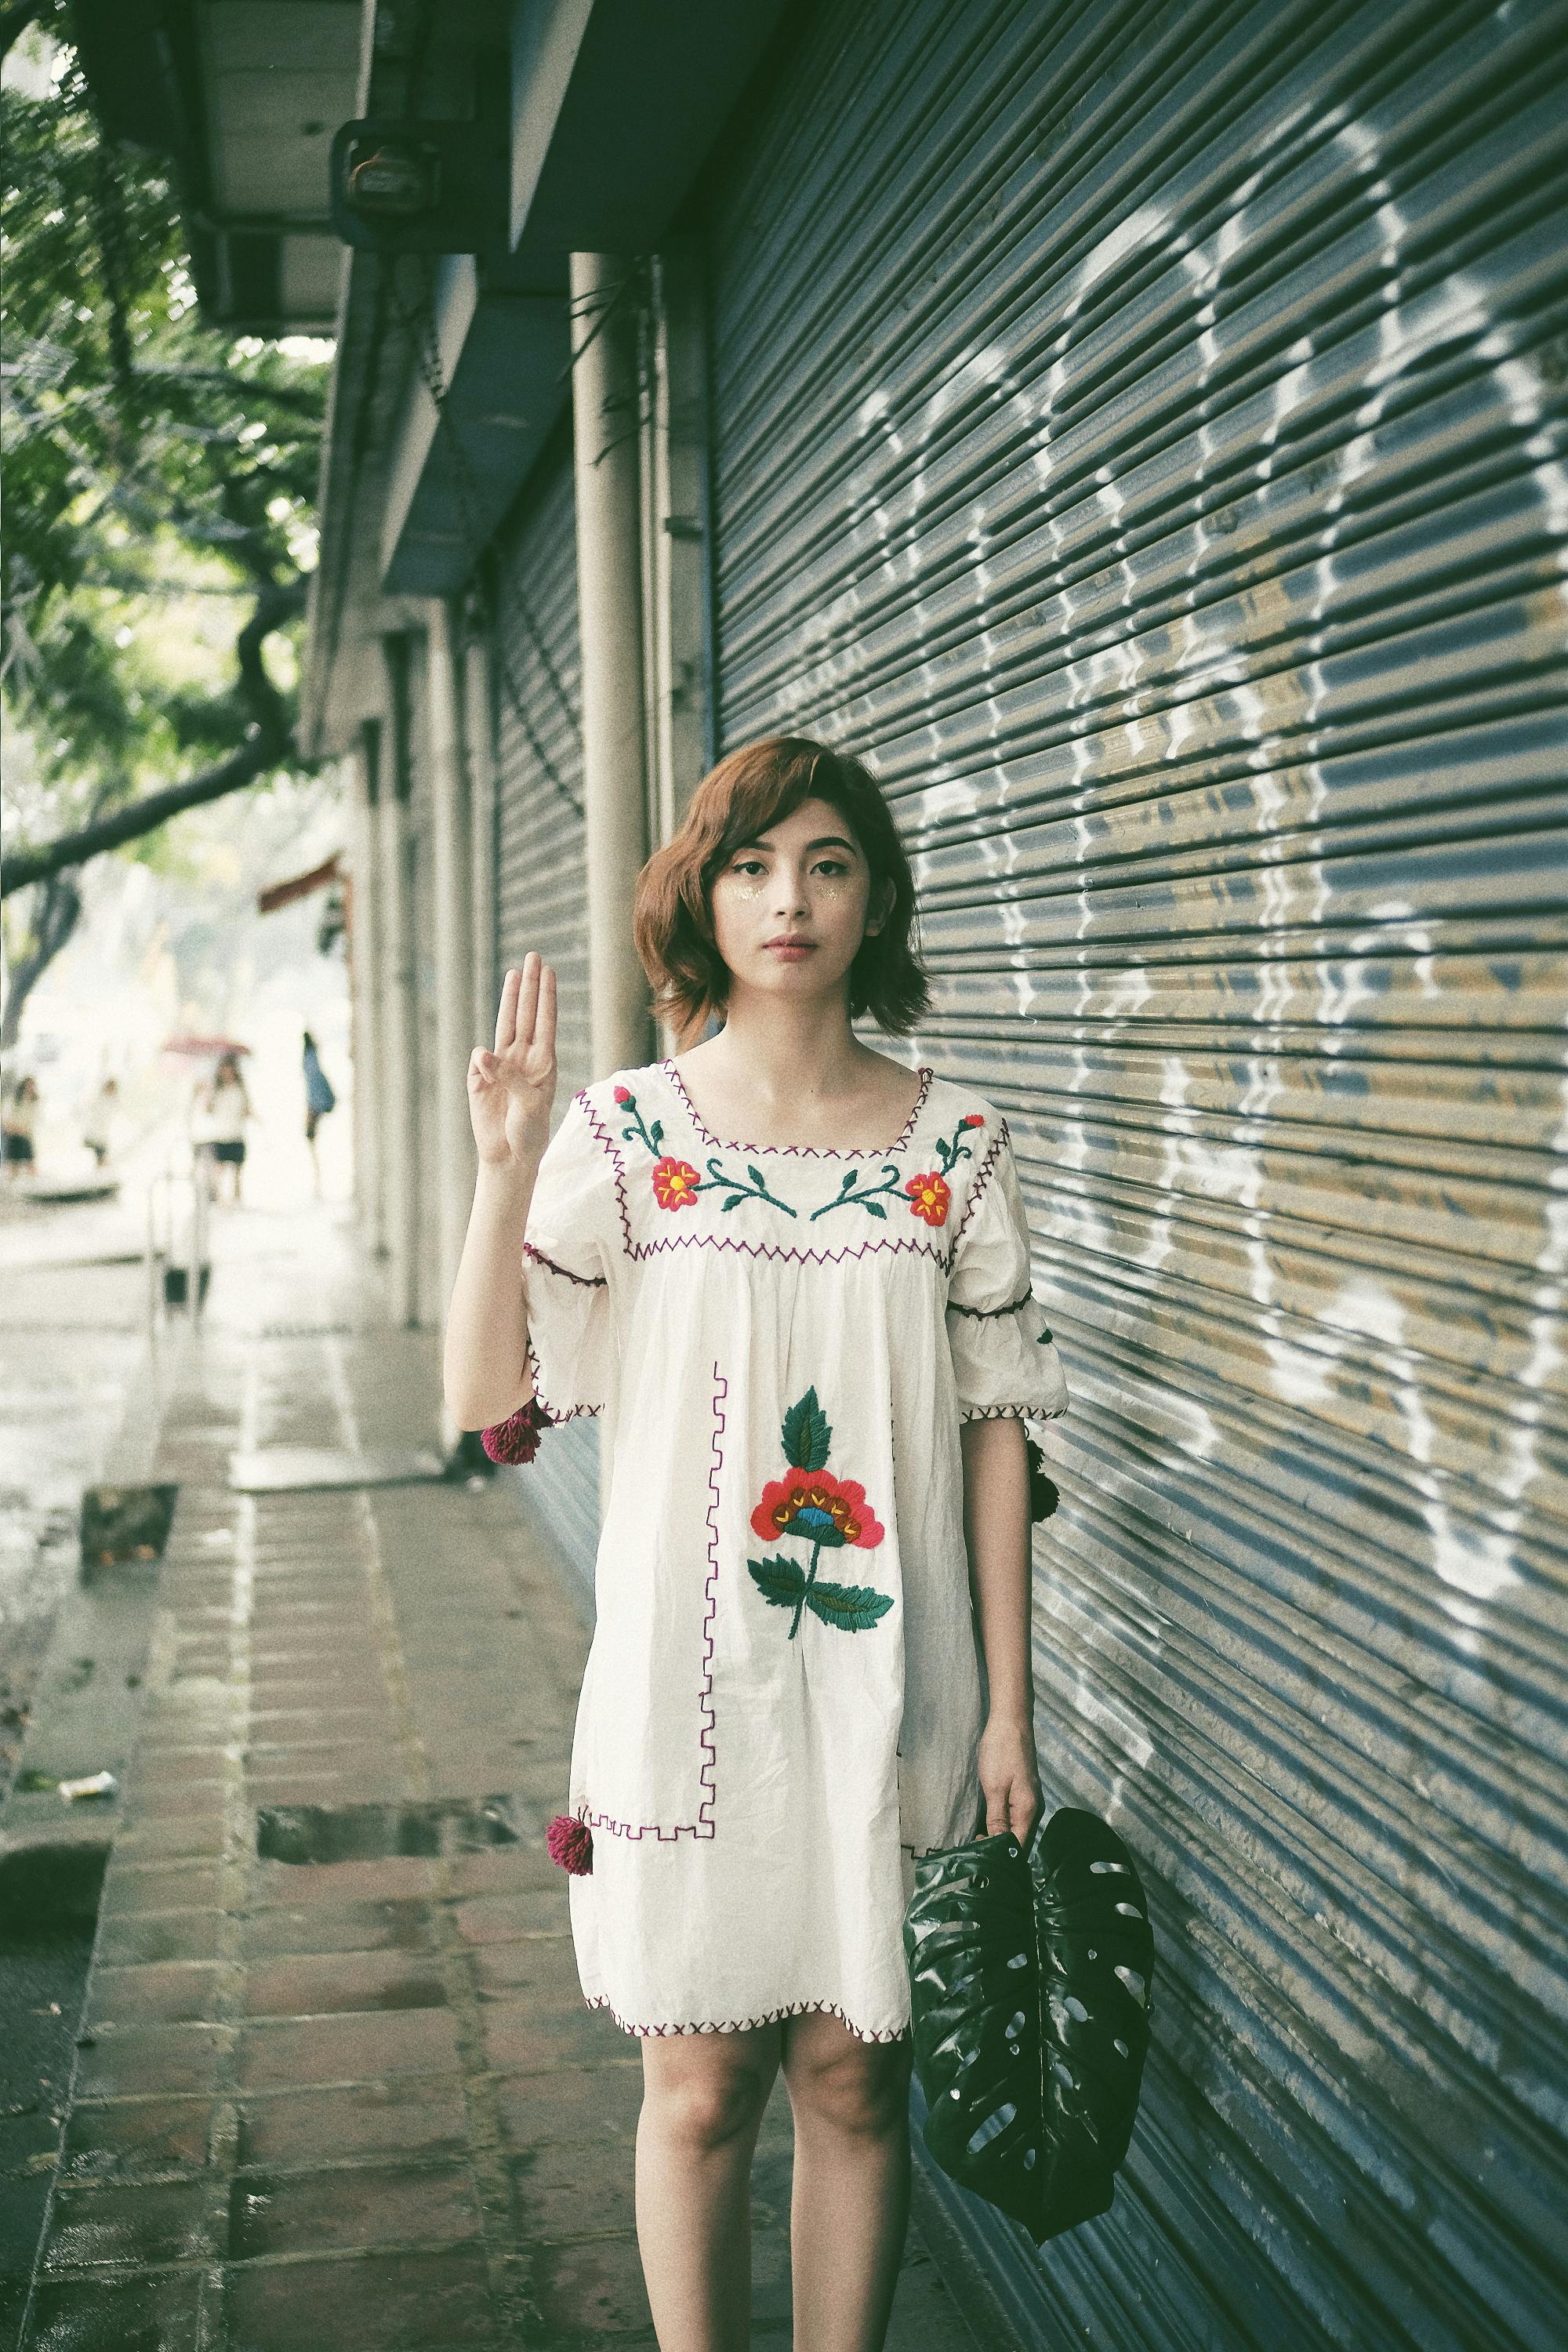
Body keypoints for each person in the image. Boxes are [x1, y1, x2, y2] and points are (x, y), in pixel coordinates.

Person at [444, 737, 1069, 2349]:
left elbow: (996, 1431)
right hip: (684, 1696)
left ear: (875, 898)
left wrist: (1010, 1707)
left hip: (900, 1683)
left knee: (857, 2081)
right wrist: (507, 1162)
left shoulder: (955, 1144)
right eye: (749, 866)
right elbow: (482, 1395)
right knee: (703, 2088)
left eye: (828, 863)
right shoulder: (630, 1133)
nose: (787, 899)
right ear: (700, 899)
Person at [198, 1051, 251, 1205]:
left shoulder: (241, 1089)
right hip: (220, 1134)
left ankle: (236, 1201)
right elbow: (207, 1110)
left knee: (236, 1173)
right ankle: (220, 1201)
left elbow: (247, 1110)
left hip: (237, 1134)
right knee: (219, 1171)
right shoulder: (215, 1090)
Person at [301, 1030, 336, 1199]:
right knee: (313, 1143)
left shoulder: (310, 1063)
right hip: (317, 1106)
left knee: (313, 1142)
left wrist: (311, 1108)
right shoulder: (313, 1061)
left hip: (316, 1107)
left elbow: (313, 1086)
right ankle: (318, 1181)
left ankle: (319, 1181)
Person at [2, 1073, 40, 1185]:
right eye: (29, 1085)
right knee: (13, 1166)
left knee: (31, 1163)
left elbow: (34, 1120)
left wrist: (25, 1130)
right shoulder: (13, 1101)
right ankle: (12, 1185)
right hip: (12, 1135)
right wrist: (17, 1129)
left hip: (26, 1135)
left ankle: (32, 1185)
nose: (31, 1088)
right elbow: (6, 1121)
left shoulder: (33, 1102)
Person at [82, 1073, 118, 1169]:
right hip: (96, 1133)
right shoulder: (99, 1099)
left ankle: (102, 1167)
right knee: (100, 1154)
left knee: (103, 1155)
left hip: (102, 1134)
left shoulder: (112, 1101)